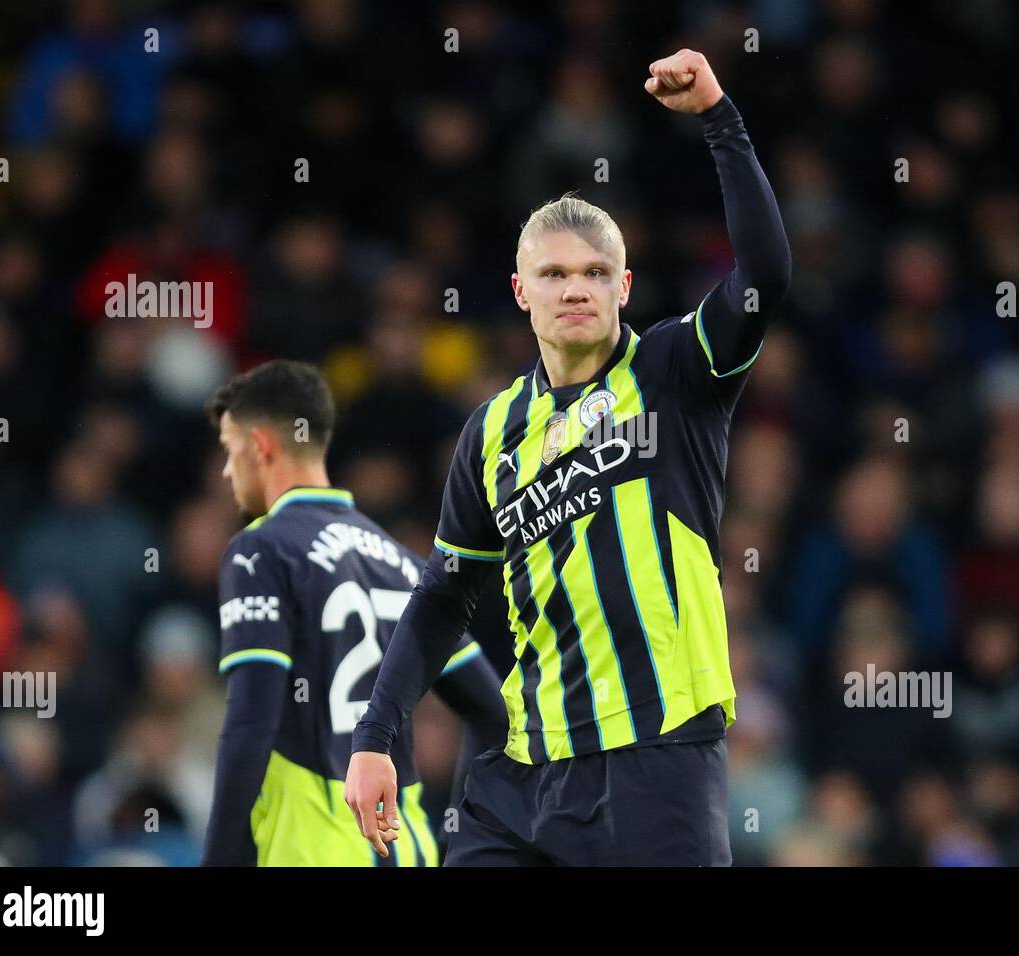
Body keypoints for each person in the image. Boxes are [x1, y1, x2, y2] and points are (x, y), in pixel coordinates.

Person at [345, 49, 791, 865]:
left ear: (625, 288)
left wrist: (720, 122)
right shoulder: (491, 431)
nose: (575, 288)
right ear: (521, 291)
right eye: (553, 273)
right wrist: (378, 732)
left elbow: (765, 274)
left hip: (658, 755)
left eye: (596, 272)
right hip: (524, 768)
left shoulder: (672, 372)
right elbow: (446, 594)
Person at [200, 360, 506, 865]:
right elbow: (495, 714)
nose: (229, 472)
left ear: (261, 445)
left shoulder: (261, 551)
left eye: (231, 452)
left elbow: (252, 721)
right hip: (410, 852)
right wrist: (463, 845)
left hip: (311, 849)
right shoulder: (405, 565)